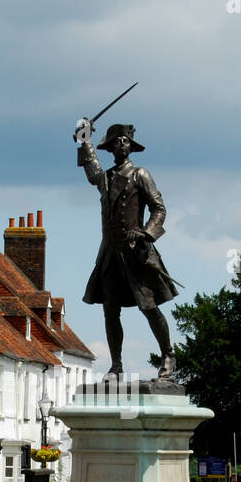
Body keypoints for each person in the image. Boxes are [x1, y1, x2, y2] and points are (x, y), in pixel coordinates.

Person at [75, 121, 179, 379]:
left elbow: (159, 208)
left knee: (148, 306)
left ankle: (168, 354)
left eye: (125, 140)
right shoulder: (107, 178)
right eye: (117, 141)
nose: (122, 144)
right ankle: (116, 366)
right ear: (111, 147)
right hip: (110, 253)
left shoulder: (140, 174)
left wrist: (146, 232)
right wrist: (85, 139)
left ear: (131, 146)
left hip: (135, 253)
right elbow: (92, 171)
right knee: (110, 309)